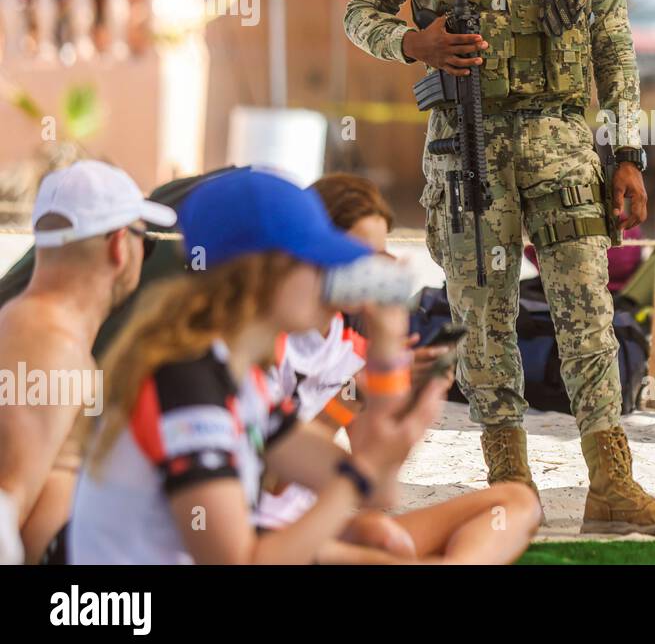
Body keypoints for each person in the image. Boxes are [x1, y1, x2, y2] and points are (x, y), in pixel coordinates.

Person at [344, 0, 655, 534]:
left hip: (562, 142)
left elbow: (616, 53)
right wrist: (414, 43)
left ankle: (611, 482)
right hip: (465, 145)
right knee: (484, 312)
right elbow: (359, 13)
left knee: (586, 309)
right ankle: (513, 488)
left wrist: (627, 154)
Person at [65, 169, 496, 564]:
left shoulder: (241, 377)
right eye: (317, 259)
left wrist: (385, 357)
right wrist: (361, 475)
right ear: (265, 273)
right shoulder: (184, 379)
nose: (330, 276)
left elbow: (378, 489)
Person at [255, 172, 541, 562]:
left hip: (314, 521)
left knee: (516, 501)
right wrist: (352, 395)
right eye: (359, 254)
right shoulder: (262, 344)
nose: (373, 270)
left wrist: (401, 393)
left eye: (380, 255)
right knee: (388, 543)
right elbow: (271, 478)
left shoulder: (354, 341)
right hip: (268, 534)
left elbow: (378, 486)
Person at [0, 160, 176, 564]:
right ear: (118, 245)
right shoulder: (48, 343)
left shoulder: (50, 335)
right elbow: (5, 504)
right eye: (144, 241)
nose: (143, 253)